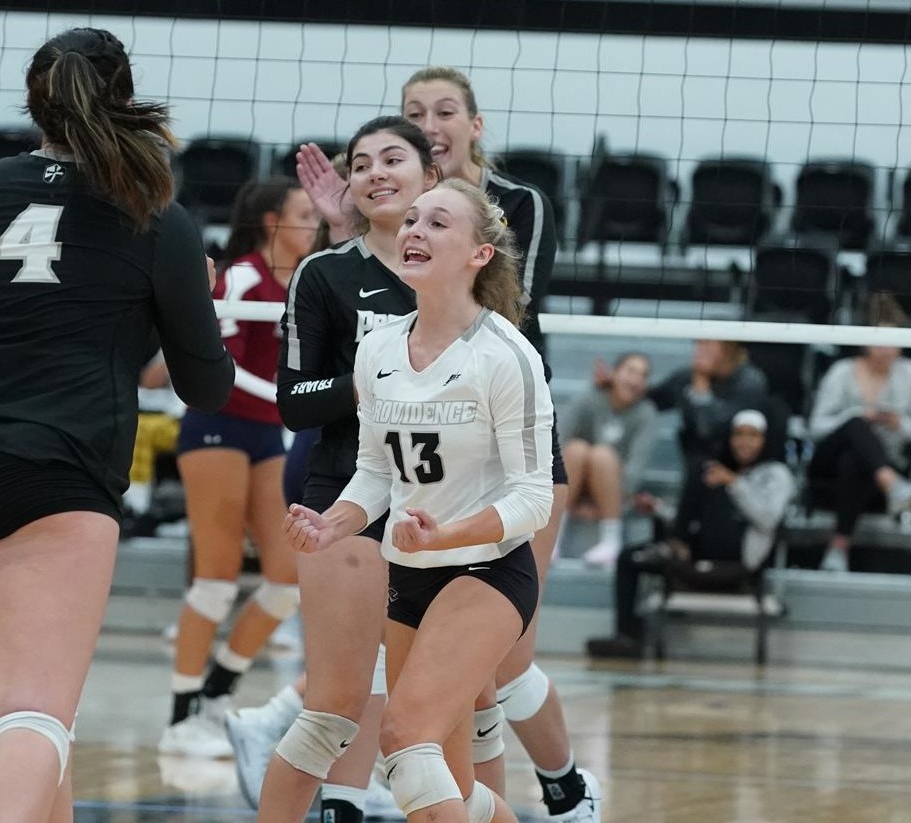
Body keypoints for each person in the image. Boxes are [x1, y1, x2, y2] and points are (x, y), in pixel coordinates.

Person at [0, 27, 234, 823]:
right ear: (124, 101)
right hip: (56, 471)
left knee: (30, 701)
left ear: (36, 106)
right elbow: (204, 386)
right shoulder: (156, 208)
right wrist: (196, 301)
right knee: (31, 705)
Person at [282, 68, 598, 821]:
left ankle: (566, 786)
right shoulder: (383, 329)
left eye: (444, 112)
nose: (415, 230)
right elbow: (369, 462)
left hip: (491, 511)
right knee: (437, 755)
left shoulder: (506, 315)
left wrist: (449, 532)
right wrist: (338, 520)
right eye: (415, 114)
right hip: (412, 534)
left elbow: (524, 491)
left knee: (446, 705)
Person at [245, 115, 438, 823]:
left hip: (443, 499)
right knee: (334, 705)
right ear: (351, 186)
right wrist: (369, 380)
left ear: (433, 176)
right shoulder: (326, 275)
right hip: (346, 492)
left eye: (394, 158)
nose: (377, 172)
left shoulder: (467, 273)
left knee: (450, 708)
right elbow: (295, 403)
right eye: (362, 164)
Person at [161, 179, 315, 758]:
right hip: (216, 426)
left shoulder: (301, 281)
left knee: (286, 577)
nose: (314, 225)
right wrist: (289, 400)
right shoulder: (244, 274)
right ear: (272, 220)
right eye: (304, 215)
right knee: (217, 579)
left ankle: (218, 693)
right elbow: (217, 360)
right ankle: (179, 720)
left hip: (265, 434)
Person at [586, 408, 796, 658]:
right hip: (700, 547)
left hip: (740, 557)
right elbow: (701, 517)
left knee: (700, 466)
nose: (744, 441)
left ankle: (676, 544)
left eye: (753, 435)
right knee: (629, 557)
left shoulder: (776, 474)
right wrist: (659, 510)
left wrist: (734, 484)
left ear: (766, 439)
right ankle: (627, 636)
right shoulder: (721, 472)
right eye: (738, 434)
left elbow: (768, 519)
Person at [807, 294, 911, 572]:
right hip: (827, 468)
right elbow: (815, 427)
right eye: (881, 341)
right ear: (865, 340)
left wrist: (899, 423)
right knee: (855, 424)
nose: (888, 349)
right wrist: (857, 417)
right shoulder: (842, 372)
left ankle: (839, 548)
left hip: (872, 468)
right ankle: (893, 485)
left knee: (854, 460)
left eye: (894, 341)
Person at [560, 352, 657, 566]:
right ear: (613, 373)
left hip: (616, 493)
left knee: (602, 455)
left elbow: (635, 471)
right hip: (575, 485)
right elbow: (558, 441)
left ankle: (610, 541)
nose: (636, 380)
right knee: (576, 449)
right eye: (630, 371)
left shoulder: (646, 413)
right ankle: (554, 535)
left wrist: (617, 498)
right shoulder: (590, 399)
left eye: (643, 375)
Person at [644, 339, 769, 473]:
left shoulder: (749, 382)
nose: (699, 352)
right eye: (699, 345)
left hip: (736, 467)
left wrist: (701, 392)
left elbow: (710, 429)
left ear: (728, 350)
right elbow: (653, 400)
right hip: (694, 464)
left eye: (707, 346)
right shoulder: (686, 377)